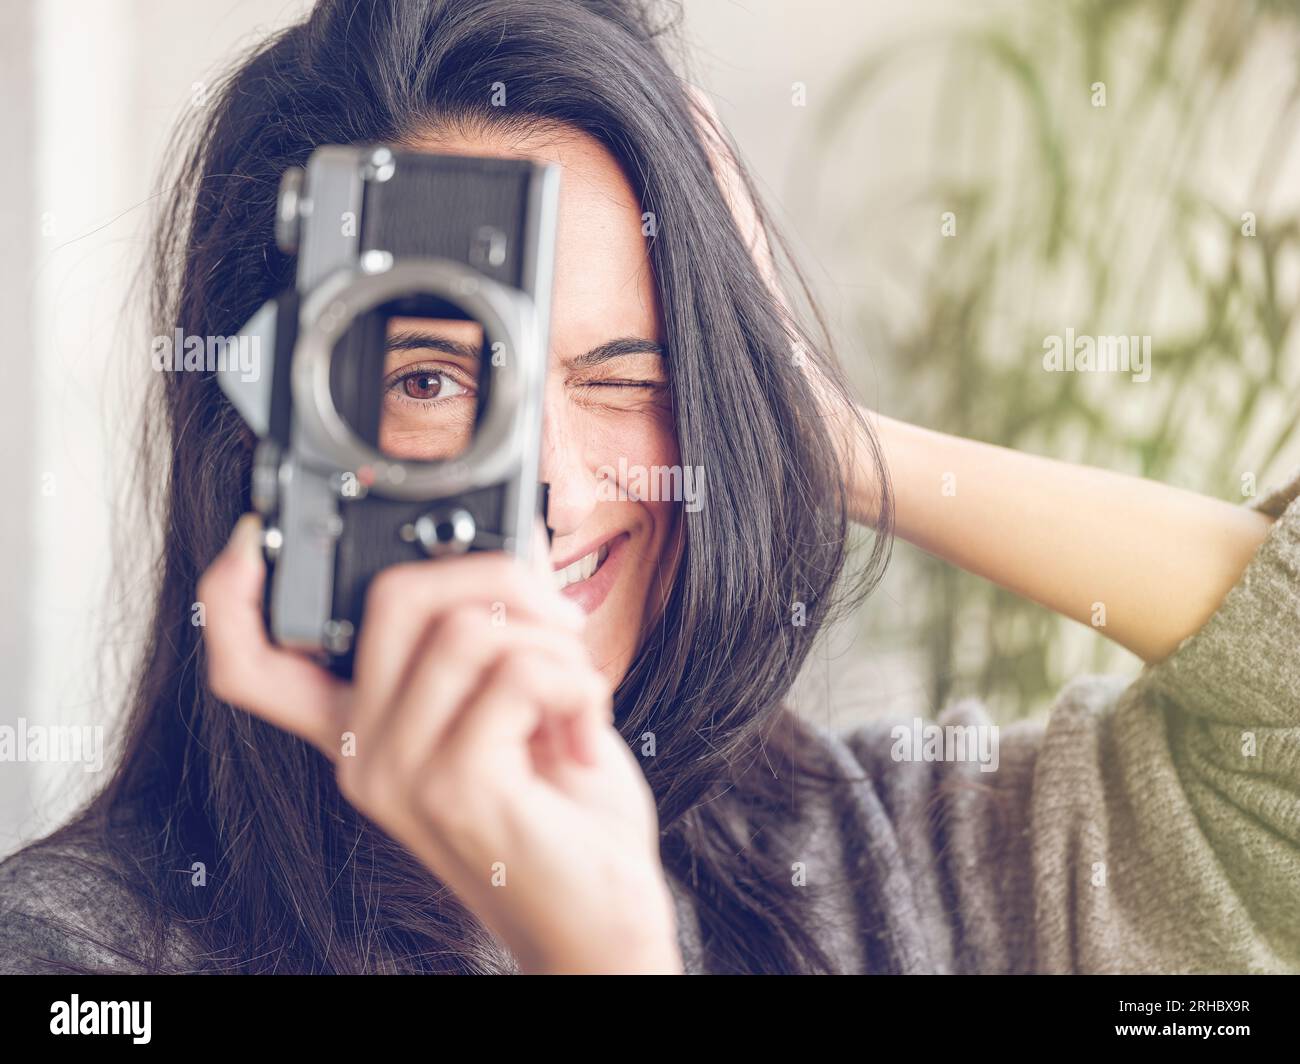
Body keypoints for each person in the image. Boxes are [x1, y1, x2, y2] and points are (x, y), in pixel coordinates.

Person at [1, 0, 1297, 975]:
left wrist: (812, 428)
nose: (554, 489)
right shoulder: (81, 959)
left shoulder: (882, 863)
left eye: (632, 378)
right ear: (271, 434)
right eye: (437, 382)